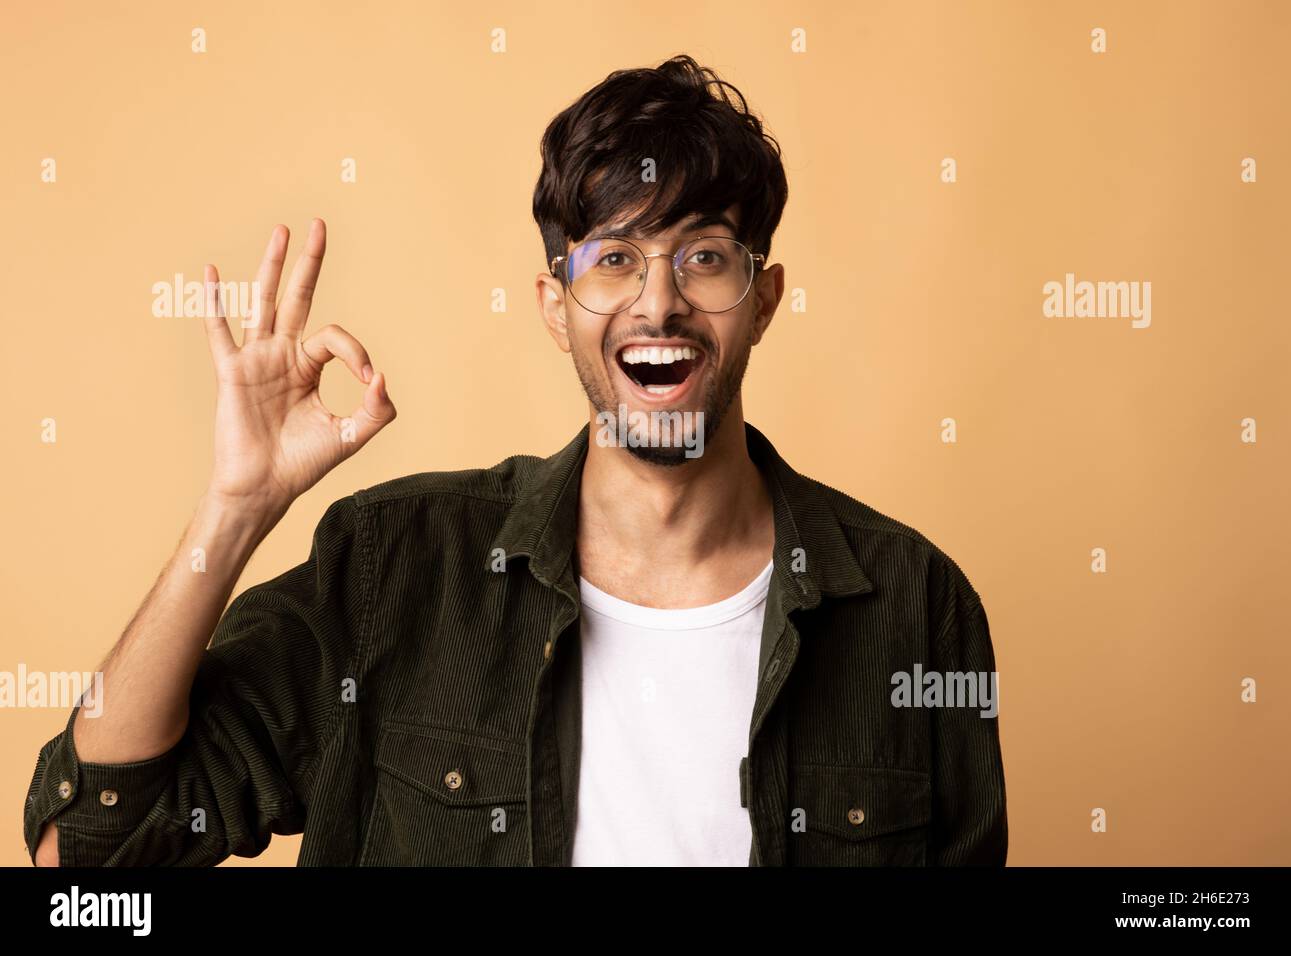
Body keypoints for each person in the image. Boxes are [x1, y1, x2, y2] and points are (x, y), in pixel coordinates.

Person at [25, 54, 1007, 866]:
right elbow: (96, 846)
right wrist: (235, 508)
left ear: (762, 296)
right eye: (613, 258)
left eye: (703, 255)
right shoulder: (396, 569)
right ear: (553, 306)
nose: (658, 303)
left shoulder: (914, 605)